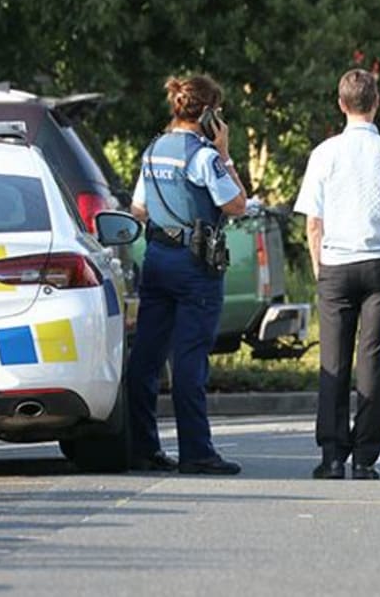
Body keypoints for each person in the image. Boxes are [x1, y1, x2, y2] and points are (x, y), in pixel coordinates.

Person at [294, 68, 380, 480]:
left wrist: (319, 265)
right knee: (375, 362)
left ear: (341, 104)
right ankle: (366, 456)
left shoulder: (324, 154)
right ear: (377, 103)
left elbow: (313, 222)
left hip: (336, 262)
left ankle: (332, 455)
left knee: (333, 360)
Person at [126, 73, 247, 475]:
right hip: (195, 266)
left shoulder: (152, 151)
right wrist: (225, 154)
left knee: (146, 357)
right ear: (209, 114)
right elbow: (236, 205)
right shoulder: (204, 157)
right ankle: (196, 453)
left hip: (157, 258)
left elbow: (138, 209)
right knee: (190, 358)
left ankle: (143, 448)